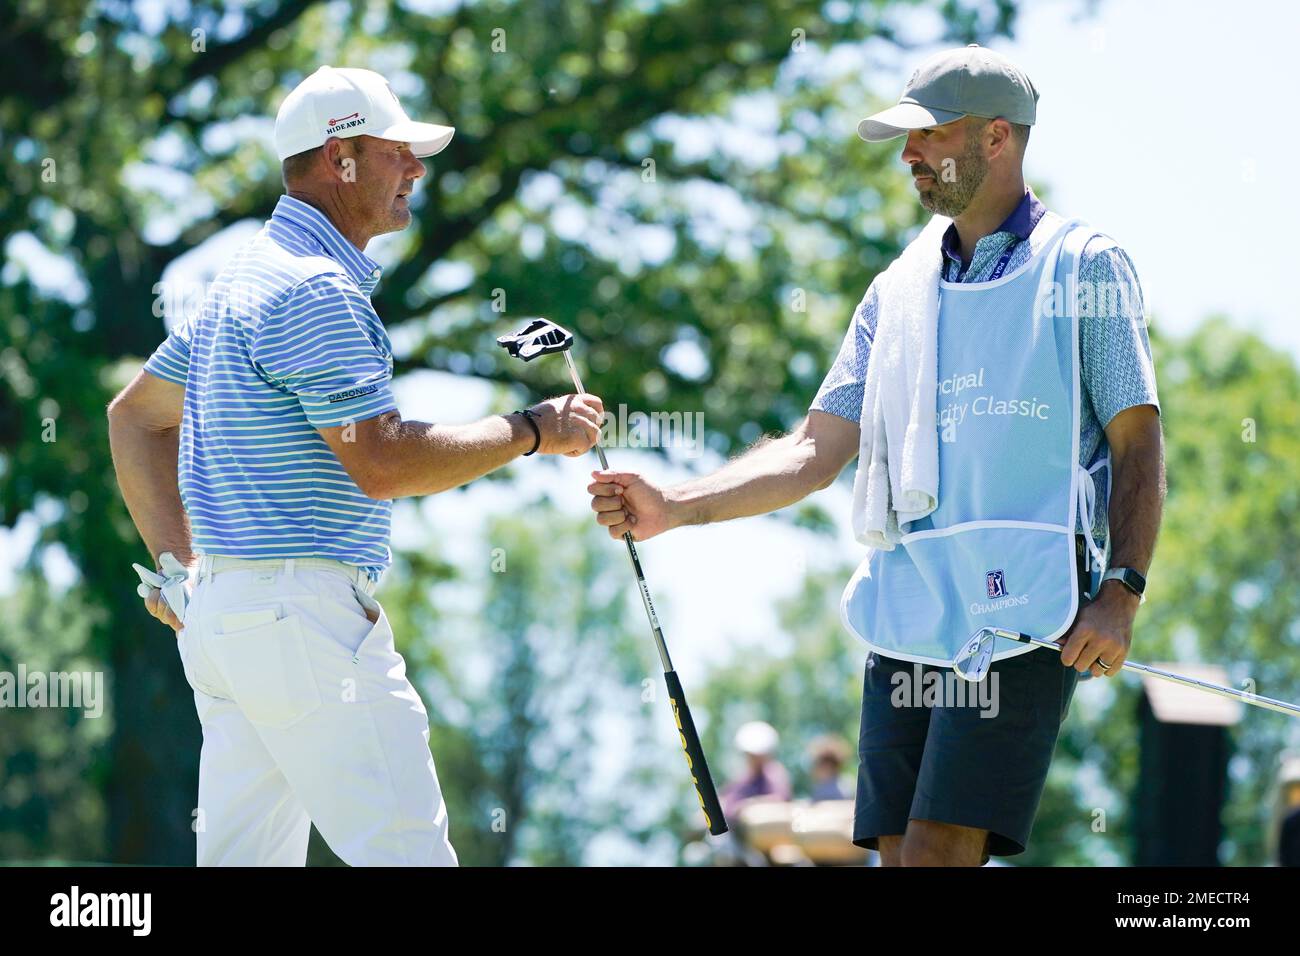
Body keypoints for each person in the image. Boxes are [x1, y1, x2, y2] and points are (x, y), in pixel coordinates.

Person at [588, 45, 1163, 866]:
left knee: (935, 851)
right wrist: (675, 505)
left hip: (1024, 606)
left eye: (927, 135)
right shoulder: (896, 288)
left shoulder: (1087, 264)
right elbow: (814, 451)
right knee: (895, 853)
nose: (908, 156)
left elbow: (1137, 441)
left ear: (997, 137)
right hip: (910, 602)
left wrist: (1123, 591)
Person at [107, 66, 604, 866]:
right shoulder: (316, 289)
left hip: (227, 621)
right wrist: (531, 429)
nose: (416, 168)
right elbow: (381, 461)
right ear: (339, 157)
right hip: (303, 617)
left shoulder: (241, 281)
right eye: (396, 151)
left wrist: (177, 573)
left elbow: (129, 417)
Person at [720, 721, 792, 820]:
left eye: (757, 756)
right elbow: (727, 804)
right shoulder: (742, 779)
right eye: (751, 755)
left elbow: (780, 800)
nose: (753, 759)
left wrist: (748, 804)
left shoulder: (774, 773)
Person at [808, 735, 849, 802]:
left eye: (818, 764)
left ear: (827, 766)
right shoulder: (847, 785)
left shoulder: (823, 790)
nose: (815, 769)